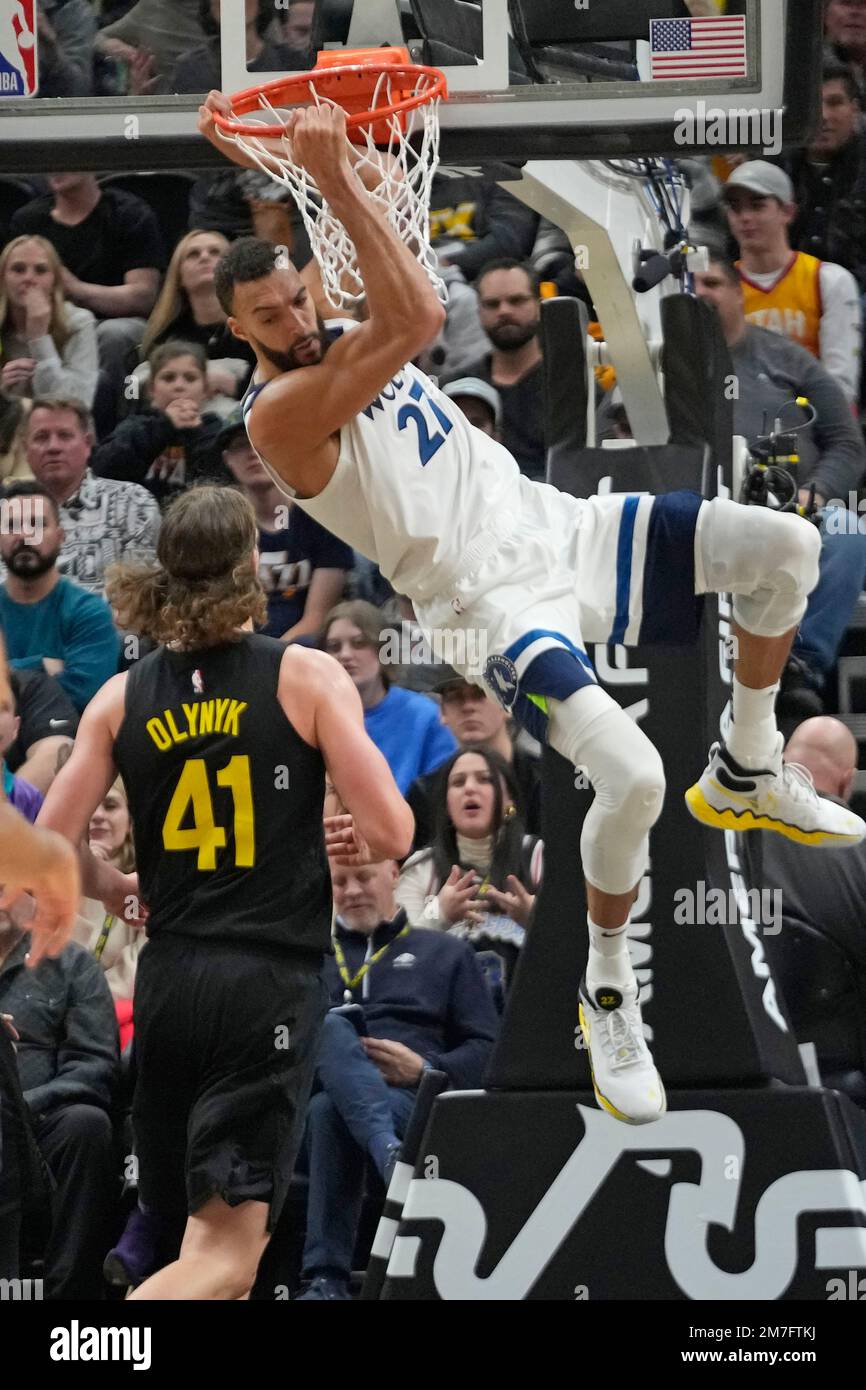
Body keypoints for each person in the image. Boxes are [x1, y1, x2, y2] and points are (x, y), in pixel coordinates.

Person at [200, 97, 866, 1128]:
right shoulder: (279, 414)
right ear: (234, 328)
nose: (294, 319)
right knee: (636, 776)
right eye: (271, 317)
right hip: (481, 601)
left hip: (553, 524)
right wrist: (327, 176)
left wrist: (297, 159)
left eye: (295, 300)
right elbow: (419, 318)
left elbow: (370, 267)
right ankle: (607, 991)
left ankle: (744, 761)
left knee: (787, 548)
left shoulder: (331, 321)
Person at [36, 484, 414, 1300]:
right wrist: (339, 828)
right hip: (264, 988)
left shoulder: (117, 698)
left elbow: (49, 847)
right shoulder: (305, 676)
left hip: (170, 985)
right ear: (252, 565)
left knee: (215, 1271)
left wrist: (119, 888)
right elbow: (395, 834)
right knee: (224, 1260)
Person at [298, 855, 498, 1300]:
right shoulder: (312, 959)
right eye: (340, 881)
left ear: (394, 874)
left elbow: (487, 1052)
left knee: (329, 1110)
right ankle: (387, 1154)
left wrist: (425, 1069)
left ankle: (325, 1280)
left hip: (411, 1099)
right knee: (328, 1029)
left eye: (363, 877)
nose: (351, 891)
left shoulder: (447, 953)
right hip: (321, 1096)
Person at [693, 257, 866, 712]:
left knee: (848, 531)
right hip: (695, 510)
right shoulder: (658, 362)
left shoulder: (787, 359)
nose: (702, 292)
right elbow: (615, 429)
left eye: (712, 282)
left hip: (786, 505)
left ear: (738, 294)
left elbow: (848, 442)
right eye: (691, 284)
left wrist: (816, 492)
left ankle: (800, 665)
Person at [0, 904, 120, 1300]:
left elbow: (94, 1066)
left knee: (86, 1125)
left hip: (36, 1131)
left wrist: (21, 1105)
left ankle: (70, 1296)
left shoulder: (72, 964)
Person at [9, 173, 166, 412]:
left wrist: (74, 288)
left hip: (112, 322)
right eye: (20, 270)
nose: (55, 168)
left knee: (113, 334)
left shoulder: (128, 213)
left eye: (40, 269)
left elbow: (143, 296)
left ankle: (114, 428)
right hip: (51, 320)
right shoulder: (29, 218)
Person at [397, 747, 543, 1002]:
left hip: (530, 1017)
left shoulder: (540, 858)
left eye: (484, 779)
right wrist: (438, 914)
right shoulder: (422, 868)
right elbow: (396, 960)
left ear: (509, 801)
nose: (470, 789)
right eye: (458, 782)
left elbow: (577, 948)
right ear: (446, 804)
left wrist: (538, 920)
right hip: (442, 1021)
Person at [721, 160, 864, 404]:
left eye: (757, 206)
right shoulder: (721, 288)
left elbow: (840, 384)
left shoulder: (827, 281)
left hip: (813, 422)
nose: (745, 217)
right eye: (735, 208)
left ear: (787, 212)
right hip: (744, 423)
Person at [219, 407, 352, 641]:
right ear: (227, 459)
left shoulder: (322, 514)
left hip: (306, 648)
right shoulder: (222, 524)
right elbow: (223, 612)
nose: (252, 452)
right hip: (241, 647)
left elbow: (318, 617)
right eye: (241, 444)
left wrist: (272, 658)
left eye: (261, 440)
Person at [0, 481, 122, 712]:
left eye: (37, 524)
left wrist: (5, 676)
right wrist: (40, 664)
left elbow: (84, 696)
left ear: (61, 537)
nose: (25, 535)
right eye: (13, 525)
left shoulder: (90, 612)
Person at [23, 395, 161, 595]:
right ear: (26, 449)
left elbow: (140, 597)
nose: (53, 447)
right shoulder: (8, 514)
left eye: (65, 435)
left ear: (87, 444)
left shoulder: (133, 503)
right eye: (41, 437)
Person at [323, 601, 458, 795]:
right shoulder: (314, 719)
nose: (345, 655)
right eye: (334, 647)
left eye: (359, 643)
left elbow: (441, 797)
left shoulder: (424, 716)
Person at [406, 666, 541, 852]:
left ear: (507, 705)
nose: (468, 706)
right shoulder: (425, 793)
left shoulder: (543, 784)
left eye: (481, 693)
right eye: (455, 696)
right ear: (442, 713)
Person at [91, 341, 228, 507]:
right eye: (168, 378)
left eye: (190, 378)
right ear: (151, 389)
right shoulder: (135, 426)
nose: (179, 386)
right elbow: (103, 470)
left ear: (206, 389)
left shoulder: (215, 430)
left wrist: (194, 432)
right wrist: (165, 426)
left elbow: (217, 484)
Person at [454, 258, 547, 482]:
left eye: (517, 300)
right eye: (492, 304)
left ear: (539, 306)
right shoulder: (454, 389)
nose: (504, 311)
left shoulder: (571, 384)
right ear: (478, 311)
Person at [777, 62, 866, 292]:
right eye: (812, 104)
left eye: (835, 103)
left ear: (855, 110)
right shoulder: (775, 171)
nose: (823, 116)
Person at [140, 229, 253, 391]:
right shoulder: (165, 340)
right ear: (179, 277)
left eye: (215, 252)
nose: (204, 257)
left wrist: (236, 386)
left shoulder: (256, 329)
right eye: (193, 254)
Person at [0, 235, 99, 410]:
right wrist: (4, 395)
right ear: (2, 279)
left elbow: (79, 404)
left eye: (40, 270)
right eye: (18, 269)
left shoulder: (78, 322)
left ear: (55, 282)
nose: (29, 278)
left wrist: (39, 340)